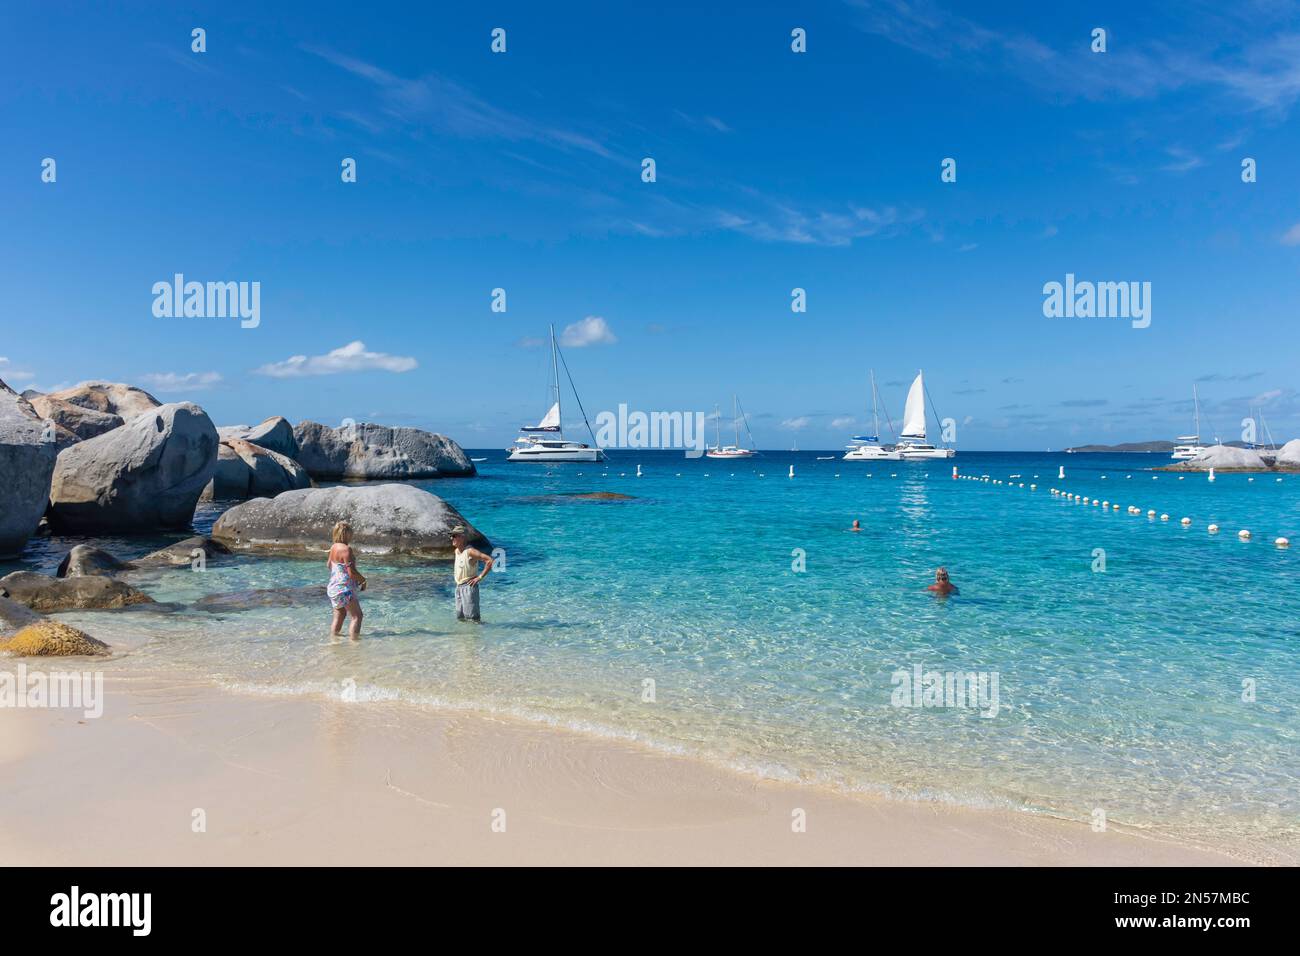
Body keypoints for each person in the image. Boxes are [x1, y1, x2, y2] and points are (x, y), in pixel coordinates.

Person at [327, 520, 366, 639]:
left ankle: (334, 640)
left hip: (333, 588)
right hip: (344, 589)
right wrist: (363, 580)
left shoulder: (334, 547)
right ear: (346, 534)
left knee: (340, 615)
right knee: (357, 616)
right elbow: (352, 573)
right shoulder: (346, 549)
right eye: (351, 533)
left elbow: (329, 565)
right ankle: (354, 644)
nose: (352, 536)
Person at [451, 525, 493, 622]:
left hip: (469, 587)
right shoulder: (457, 551)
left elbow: (489, 560)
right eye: (451, 536)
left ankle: (476, 636)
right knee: (460, 618)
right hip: (458, 587)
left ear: (462, 537)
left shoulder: (470, 551)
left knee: (473, 619)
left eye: (454, 536)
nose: (451, 538)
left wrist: (480, 577)